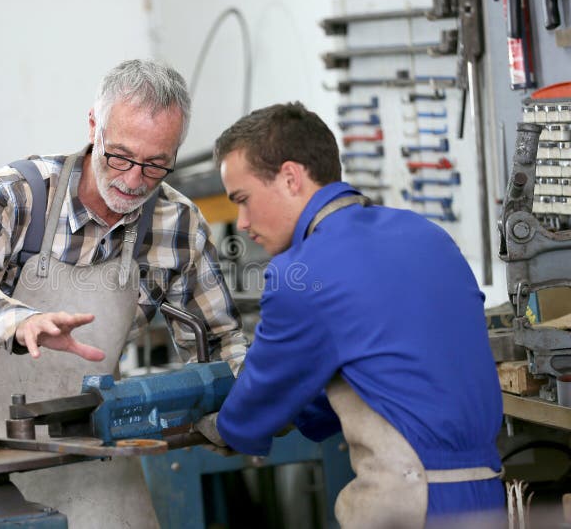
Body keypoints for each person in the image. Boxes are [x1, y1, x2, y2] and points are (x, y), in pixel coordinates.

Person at [0, 59, 246, 528]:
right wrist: (16, 321)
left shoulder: (176, 224)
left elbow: (219, 341)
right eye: (120, 156)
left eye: (155, 165)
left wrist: (240, 402)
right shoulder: (20, 195)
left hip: (95, 448)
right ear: (94, 125)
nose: (133, 180)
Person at [210, 102, 504, 527]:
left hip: (414, 502)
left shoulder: (300, 273)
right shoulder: (427, 235)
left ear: (291, 178)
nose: (241, 222)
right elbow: (383, 375)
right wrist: (302, 410)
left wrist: (223, 424)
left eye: (243, 199)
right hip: (487, 491)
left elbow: (255, 408)